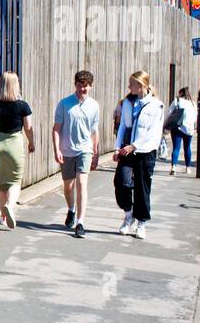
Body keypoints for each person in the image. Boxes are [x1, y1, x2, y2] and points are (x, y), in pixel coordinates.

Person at [113, 71, 165, 240]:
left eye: (131, 84)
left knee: (143, 188)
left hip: (145, 151)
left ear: (141, 85)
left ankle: (141, 222)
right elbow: (123, 127)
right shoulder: (127, 102)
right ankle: (129, 215)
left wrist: (134, 145)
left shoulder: (156, 105)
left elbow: (153, 132)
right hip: (126, 150)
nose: (129, 87)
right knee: (121, 182)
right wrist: (116, 148)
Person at [52, 69, 101, 239]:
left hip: (85, 149)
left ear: (91, 87)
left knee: (81, 182)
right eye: (80, 86)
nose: (82, 89)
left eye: (85, 86)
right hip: (66, 150)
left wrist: (96, 153)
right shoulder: (65, 104)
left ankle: (80, 222)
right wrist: (57, 149)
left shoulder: (94, 106)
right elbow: (56, 129)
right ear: (75, 85)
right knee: (68, 186)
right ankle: (71, 209)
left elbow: (94, 131)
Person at [0, 71, 34, 230]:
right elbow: (28, 128)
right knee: (15, 181)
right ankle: (10, 206)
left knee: (1, 182)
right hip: (15, 144)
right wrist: (31, 143)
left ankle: (3, 217)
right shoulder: (23, 105)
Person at [166, 87, 197, 176]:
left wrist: (167, 124)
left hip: (178, 127)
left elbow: (169, 112)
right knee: (187, 148)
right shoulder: (193, 103)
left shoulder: (177, 101)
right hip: (189, 128)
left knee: (176, 147)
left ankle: (173, 167)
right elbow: (195, 117)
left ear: (180, 93)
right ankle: (188, 168)